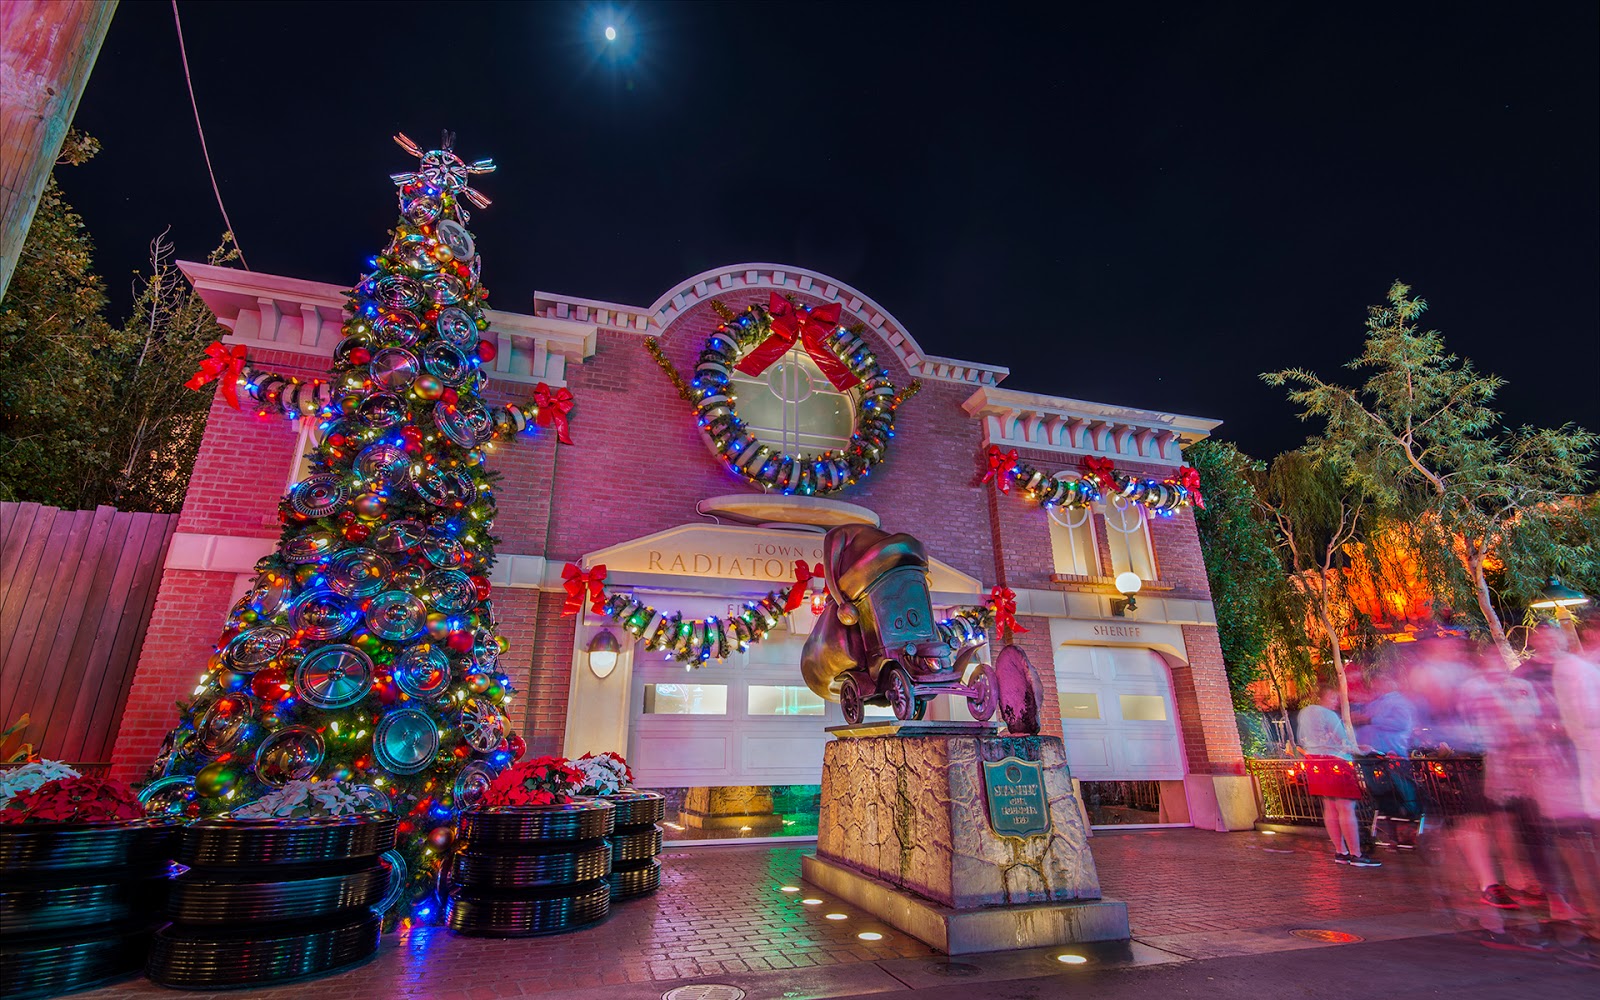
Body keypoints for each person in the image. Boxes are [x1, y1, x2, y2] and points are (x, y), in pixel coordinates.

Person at [1297, 685, 1380, 867]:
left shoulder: (1305, 713)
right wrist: (1362, 750)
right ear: (1322, 697)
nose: (1335, 702)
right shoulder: (1330, 716)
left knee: (1330, 806)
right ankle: (1356, 854)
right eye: (1332, 697)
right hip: (1336, 763)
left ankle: (1340, 851)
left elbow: (1304, 740)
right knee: (1346, 807)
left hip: (1315, 762)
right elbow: (1342, 743)